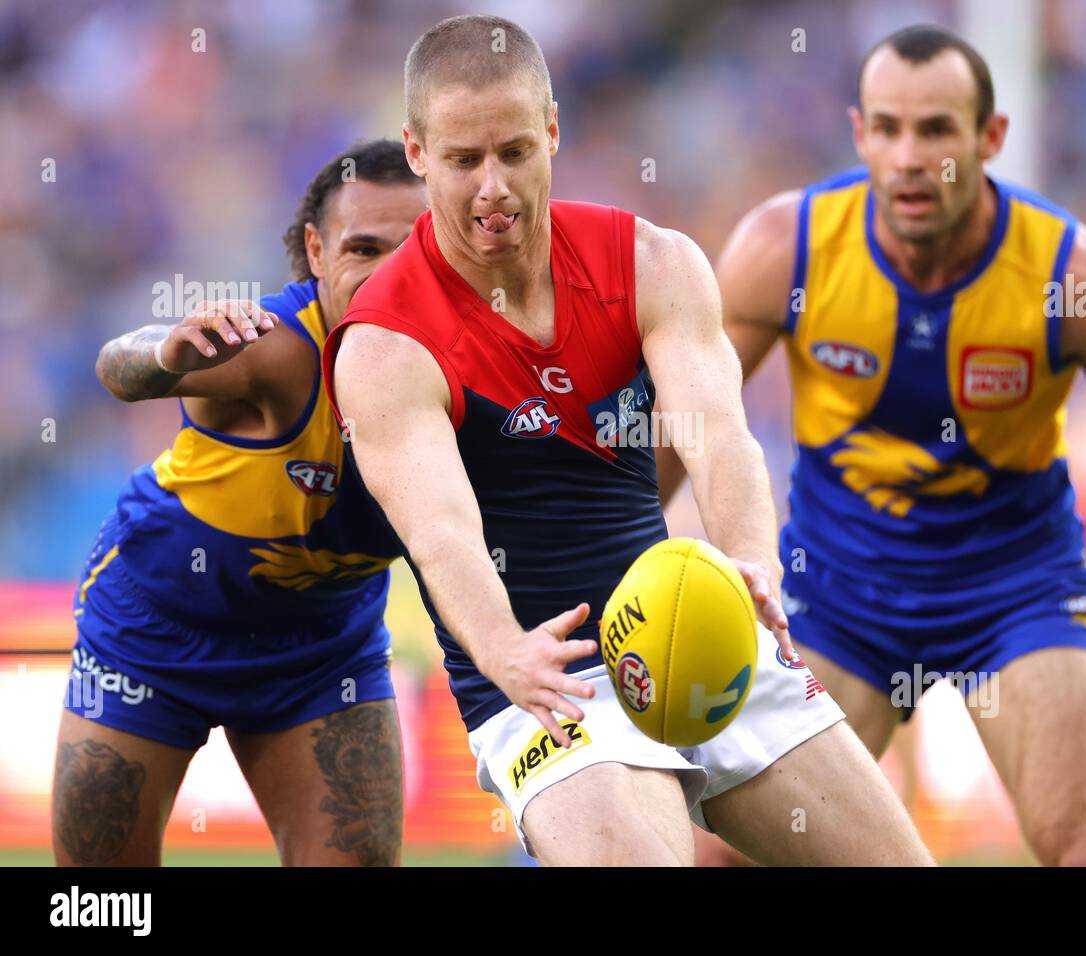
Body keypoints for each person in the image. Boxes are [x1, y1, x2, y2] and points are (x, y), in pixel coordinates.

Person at [660, 24, 1086, 866]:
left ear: (991, 139)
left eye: (936, 130)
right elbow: (680, 420)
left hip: (1018, 595)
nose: (910, 157)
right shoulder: (786, 251)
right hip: (837, 596)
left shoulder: (1078, 276)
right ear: (860, 134)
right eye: (888, 129)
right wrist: (596, 568)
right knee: (721, 854)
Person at [325, 14, 932, 867]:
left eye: (514, 152)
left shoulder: (652, 262)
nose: (492, 186)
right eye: (464, 160)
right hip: (547, 682)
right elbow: (441, 532)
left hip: (694, 634)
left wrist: (752, 558)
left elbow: (718, 437)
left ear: (554, 131)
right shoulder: (385, 342)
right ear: (418, 152)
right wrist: (506, 652)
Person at [55, 140, 427, 866]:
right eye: (364, 248)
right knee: (99, 904)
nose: (390, 275)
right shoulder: (276, 350)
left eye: (414, 249)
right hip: (154, 629)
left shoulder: (488, 366)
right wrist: (169, 353)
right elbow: (119, 366)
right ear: (315, 252)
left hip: (324, 647)